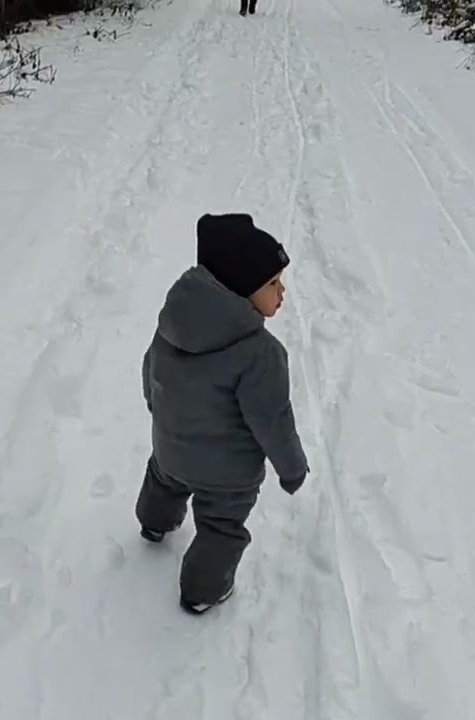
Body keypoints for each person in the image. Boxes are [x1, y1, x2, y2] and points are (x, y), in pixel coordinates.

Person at [137, 212, 310, 615]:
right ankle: (202, 590)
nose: (282, 292)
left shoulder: (173, 322)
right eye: (272, 283)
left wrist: (158, 412)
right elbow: (273, 422)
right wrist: (292, 468)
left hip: (171, 447)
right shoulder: (261, 355)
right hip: (227, 476)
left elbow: (151, 372)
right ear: (238, 291)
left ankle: (153, 523)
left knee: (164, 479)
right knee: (220, 527)